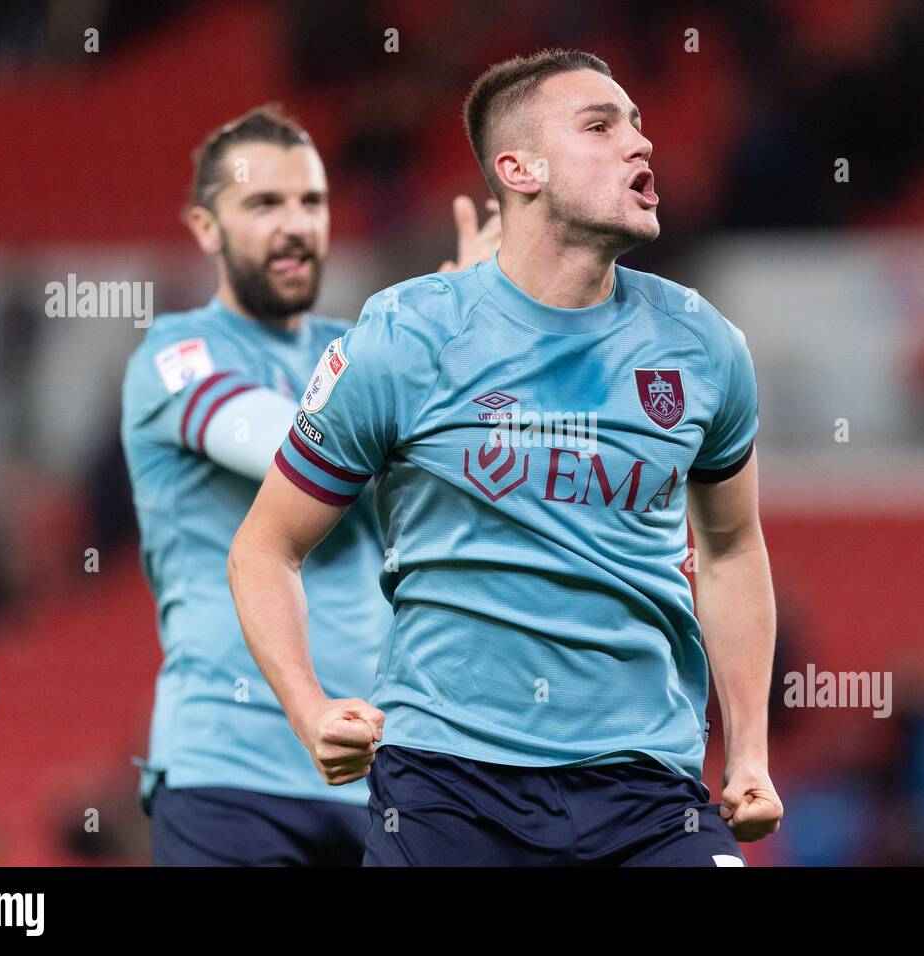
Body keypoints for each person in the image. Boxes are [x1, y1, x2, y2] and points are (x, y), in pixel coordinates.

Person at [229, 51, 782, 866]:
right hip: (447, 792)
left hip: (647, 791)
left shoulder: (703, 345)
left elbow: (732, 547)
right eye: (600, 126)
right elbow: (264, 547)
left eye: (638, 124)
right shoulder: (405, 337)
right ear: (517, 169)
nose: (640, 145)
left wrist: (749, 756)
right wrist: (309, 708)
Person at [121, 105, 500, 865]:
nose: (295, 225)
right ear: (205, 225)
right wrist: (440, 358)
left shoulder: (360, 350)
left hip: (380, 773)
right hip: (230, 776)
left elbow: (478, 473)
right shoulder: (177, 355)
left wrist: (478, 336)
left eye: (311, 202)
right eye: (263, 204)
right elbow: (290, 444)